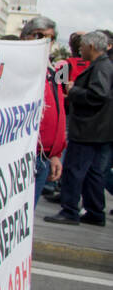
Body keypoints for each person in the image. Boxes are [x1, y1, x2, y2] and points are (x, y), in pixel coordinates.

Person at [45, 31, 112, 227]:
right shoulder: (102, 66)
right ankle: (94, 210)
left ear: (90, 47)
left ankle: (70, 209)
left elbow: (58, 86)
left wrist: (73, 90)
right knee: (94, 172)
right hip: (97, 128)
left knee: (75, 169)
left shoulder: (66, 64)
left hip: (84, 126)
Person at [19, 17, 65, 206]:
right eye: (38, 35)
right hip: (21, 155)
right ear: (25, 38)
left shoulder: (53, 72)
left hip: (44, 157)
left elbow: (59, 114)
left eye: (50, 38)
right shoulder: (15, 67)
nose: (45, 41)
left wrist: (55, 154)